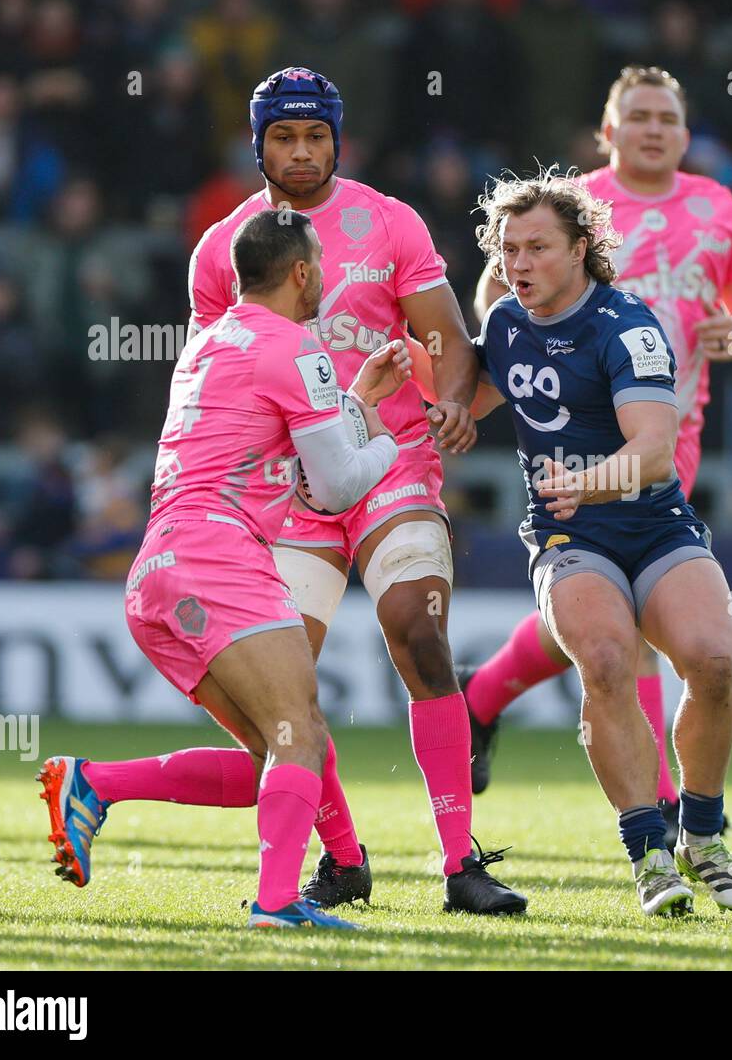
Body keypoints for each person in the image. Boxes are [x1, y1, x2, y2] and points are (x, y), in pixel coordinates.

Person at [187, 67, 524, 915]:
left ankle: (459, 864)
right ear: (256, 144)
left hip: (391, 458)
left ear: (340, 139)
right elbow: (213, 372)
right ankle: (344, 858)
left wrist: (450, 398)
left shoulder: (390, 221)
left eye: (315, 136)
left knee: (416, 628)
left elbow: (445, 332)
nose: (301, 152)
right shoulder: (223, 249)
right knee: (280, 695)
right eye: (283, 138)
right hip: (287, 488)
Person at [38, 209, 409, 928]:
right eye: (321, 265)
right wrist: (388, 441)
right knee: (299, 730)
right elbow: (332, 488)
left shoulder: (207, 343)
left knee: (279, 752)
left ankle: (94, 782)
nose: (327, 277)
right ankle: (276, 904)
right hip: (222, 558)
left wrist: (354, 403)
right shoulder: (301, 348)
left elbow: (286, 457)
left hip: (159, 567)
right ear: (301, 273)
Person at [461, 67, 732, 842]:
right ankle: (667, 805)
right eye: (635, 116)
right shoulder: (570, 205)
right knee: (614, 625)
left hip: (667, 432)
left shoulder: (716, 206)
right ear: (608, 131)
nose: (651, 129)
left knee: (622, 613)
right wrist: (525, 358)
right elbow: (491, 299)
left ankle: (481, 698)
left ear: (684, 131)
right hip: (574, 435)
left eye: (666, 118)